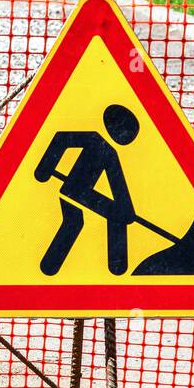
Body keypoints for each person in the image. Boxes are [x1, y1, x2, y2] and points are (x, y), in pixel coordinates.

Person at [33, 103, 141, 276]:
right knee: (81, 221)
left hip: (76, 192)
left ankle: (116, 266)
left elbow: (118, 185)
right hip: (74, 190)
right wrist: (44, 169)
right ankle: (117, 266)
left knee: (78, 221)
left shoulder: (108, 151)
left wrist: (127, 210)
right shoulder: (96, 141)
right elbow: (61, 139)